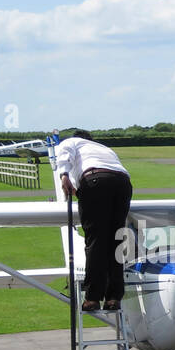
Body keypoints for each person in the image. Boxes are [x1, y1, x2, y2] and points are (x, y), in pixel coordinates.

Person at [53, 130, 132, 312]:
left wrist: (63, 176)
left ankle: (92, 297)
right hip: (123, 184)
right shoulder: (103, 148)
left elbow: (64, 158)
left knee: (96, 241)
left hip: (96, 180)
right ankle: (113, 297)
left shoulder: (72, 142)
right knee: (116, 240)